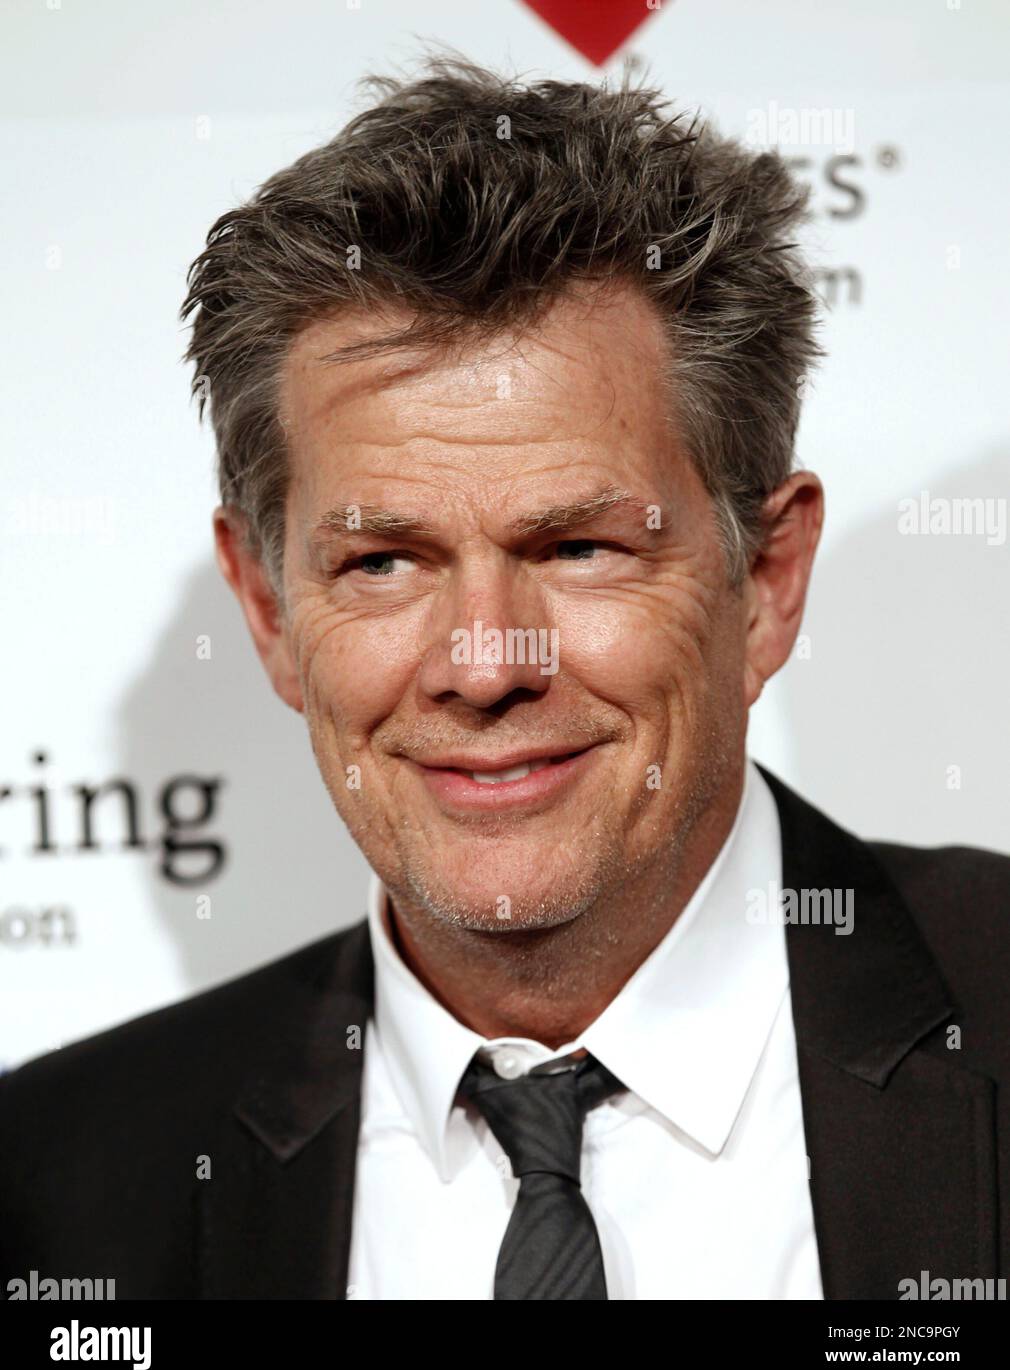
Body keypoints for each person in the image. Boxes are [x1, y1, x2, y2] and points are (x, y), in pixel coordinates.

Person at [2, 57, 1007, 1302]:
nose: (483, 664)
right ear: (265, 607)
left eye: (578, 546)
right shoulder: (55, 1182)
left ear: (765, 581)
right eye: (380, 561)